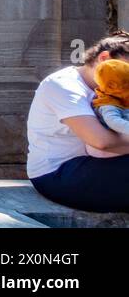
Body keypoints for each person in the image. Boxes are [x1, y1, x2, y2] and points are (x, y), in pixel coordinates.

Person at [27, 31, 129, 212]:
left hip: (103, 162)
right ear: (104, 58)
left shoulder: (117, 92)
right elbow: (102, 142)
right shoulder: (63, 85)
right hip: (58, 173)